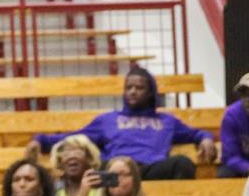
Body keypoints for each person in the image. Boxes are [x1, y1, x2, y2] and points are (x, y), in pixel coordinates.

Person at [32, 66, 218, 181]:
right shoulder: (107, 120)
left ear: (150, 93)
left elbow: (195, 134)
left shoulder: (167, 121)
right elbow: (75, 137)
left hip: (150, 170)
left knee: (182, 163)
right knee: (95, 165)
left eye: (139, 88)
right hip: (115, 170)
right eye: (129, 87)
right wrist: (40, 140)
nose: (133, 91)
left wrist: (206, 139)